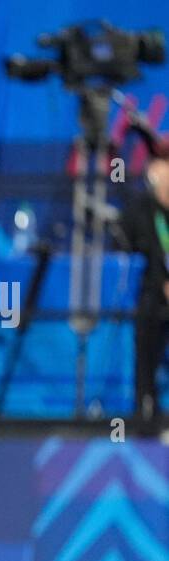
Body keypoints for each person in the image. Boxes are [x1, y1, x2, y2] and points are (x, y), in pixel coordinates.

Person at [119, 153, 169, 419]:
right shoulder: (141, 210)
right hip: (152, 296)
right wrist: (162, 283)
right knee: (147, 358)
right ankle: (146, 415)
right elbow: (129, 247)